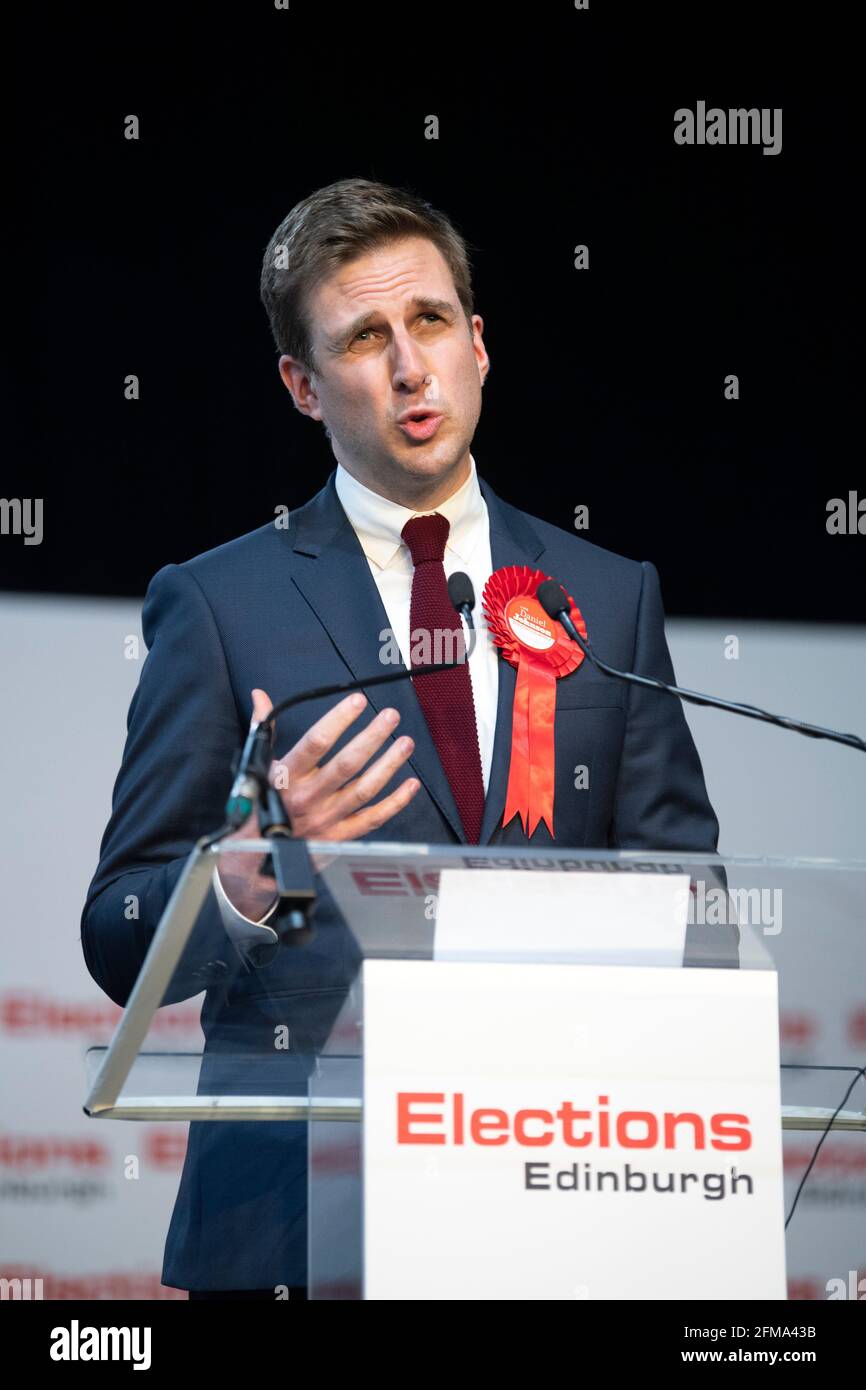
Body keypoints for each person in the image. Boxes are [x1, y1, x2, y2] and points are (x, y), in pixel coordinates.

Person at [81, 178, 720, 1299]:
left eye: (428, 321)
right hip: (292, 1227)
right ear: (302, 386)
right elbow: (117, 927)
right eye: (364, 338)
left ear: (478, 344)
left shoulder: (609, 601)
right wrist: (234, 882)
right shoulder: (216, 603)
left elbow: (692, 901)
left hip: (554, 1200)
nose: (408, 365)